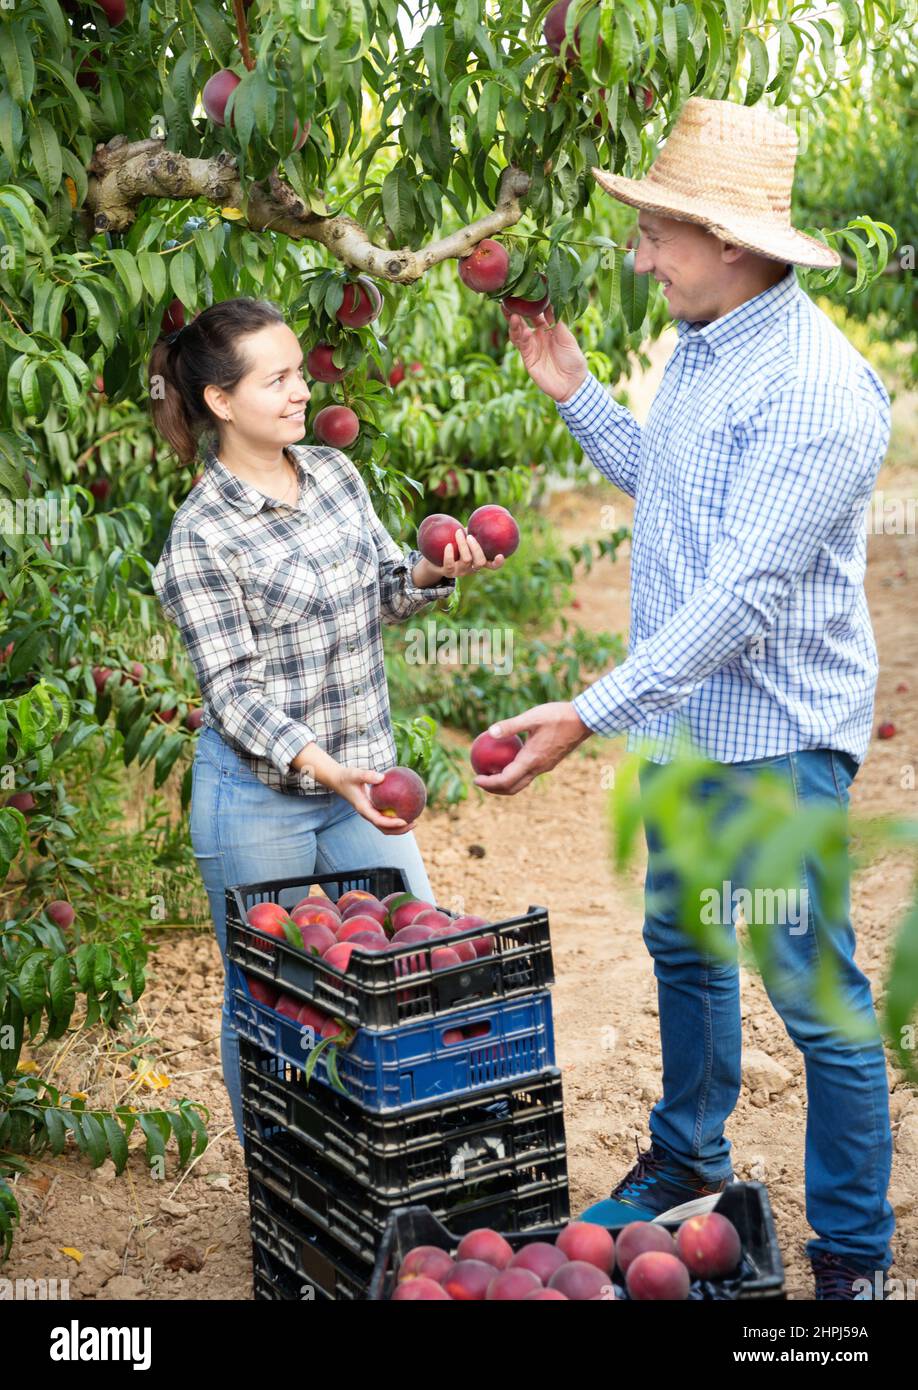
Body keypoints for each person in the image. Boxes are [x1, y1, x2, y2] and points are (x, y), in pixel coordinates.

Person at [483, 98, 895, 1300]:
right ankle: (687, 1155)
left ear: (730, 240)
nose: (639, 252)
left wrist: (584, 712)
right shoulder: (713, 345)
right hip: (691, 728)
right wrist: (573, 388)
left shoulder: (820, 390)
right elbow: (673, 489)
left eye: (659, 230)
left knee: (814, 998)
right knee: (684, 940)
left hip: (770, 746)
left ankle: (857, 1261)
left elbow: (739, 600)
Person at [148, 297, 503, 1144]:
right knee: (266, 997)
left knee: (413, 966)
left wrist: (428, 570)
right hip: (258, 796)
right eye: (277, 380)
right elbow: (232, 693)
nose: (302, 391)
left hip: (363, 779)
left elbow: (384, 589)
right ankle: (282, 1176)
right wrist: (323, 765)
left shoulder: (336, 476)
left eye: (300, 372)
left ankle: (413, 1148)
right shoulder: (200, 535)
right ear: (222, 403)